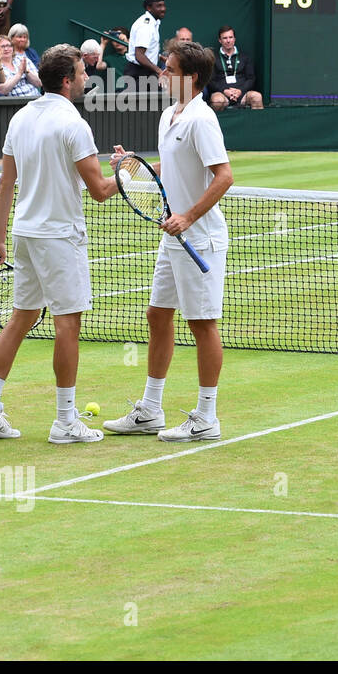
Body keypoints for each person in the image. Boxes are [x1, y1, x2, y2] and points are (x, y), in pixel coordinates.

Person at [0, 44, 121, 444]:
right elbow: (101, 191)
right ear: (67, 80)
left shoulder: (21, 117)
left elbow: (6, 183)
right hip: (59, 237)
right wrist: (129, 171)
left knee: (21, 316)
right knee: (67, 321)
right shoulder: (74, 124)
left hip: (24, 234)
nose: (87, 78)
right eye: (83, 73)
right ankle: (66, 421)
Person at [103, 41, 234, 443]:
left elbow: (224, 176)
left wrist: (189, 216)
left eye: (169, 70)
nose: (162, 75)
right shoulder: (168, 117)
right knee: (158, 315)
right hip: (172, 236)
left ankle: (207, 417)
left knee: (202, 324)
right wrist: (134, 166)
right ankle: (150, 410)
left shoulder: (202, 119)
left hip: (201, 237)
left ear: (190, 78)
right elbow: (170, 166)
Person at [207, 26, 263, 109]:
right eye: (225, 38)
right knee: (217, 100)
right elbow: (211, 81)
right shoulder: (213, 58)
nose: (228, 40)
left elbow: (251, 79)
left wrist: (240, 91)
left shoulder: (245, 57)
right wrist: (225, 91)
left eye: (230, 37)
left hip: (242, 93)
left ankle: (258, 122)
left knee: (256, 97)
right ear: (220, 40)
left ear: (234, 39)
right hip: (222, 94)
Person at [126, 0, 167, 90]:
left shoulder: (153, 23)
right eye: (159, 6)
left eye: (163, 5)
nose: (163, 9)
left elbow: (147, 51)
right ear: (149, 7)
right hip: (139, 74)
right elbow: (139, 55)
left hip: (147, 72)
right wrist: (159, 71)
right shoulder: (146, 26)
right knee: (139, 105)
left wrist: (162, 58)